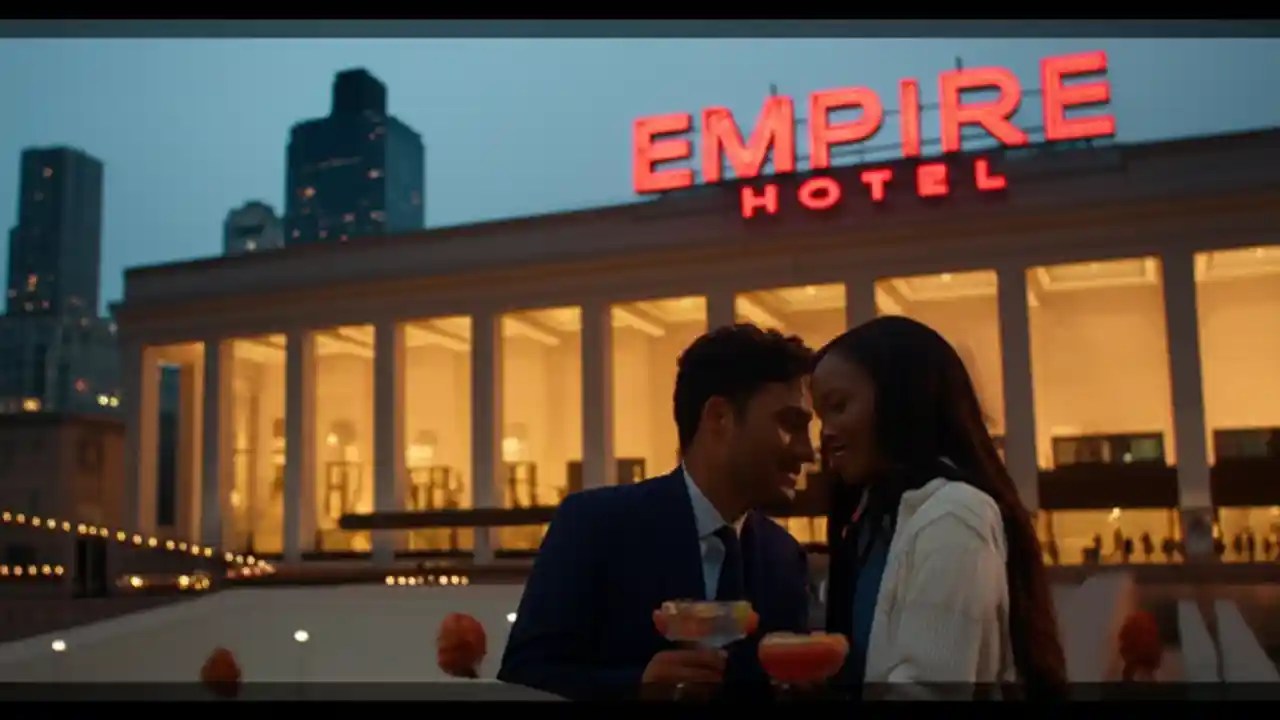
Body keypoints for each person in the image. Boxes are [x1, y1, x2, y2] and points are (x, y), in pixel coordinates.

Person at [498, 324, 817, 700]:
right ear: (720, 418)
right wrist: (635, 687)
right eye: (790, 424)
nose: (807, 452)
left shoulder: (783, 557)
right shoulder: (596, 525)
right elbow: (523, 676)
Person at [810, 316, 1068, 700]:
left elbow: (928, 689)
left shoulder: (954, 515)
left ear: (900, 399)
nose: (825, 432)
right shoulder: (872, 522)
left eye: (839, 406)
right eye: (821, 416)